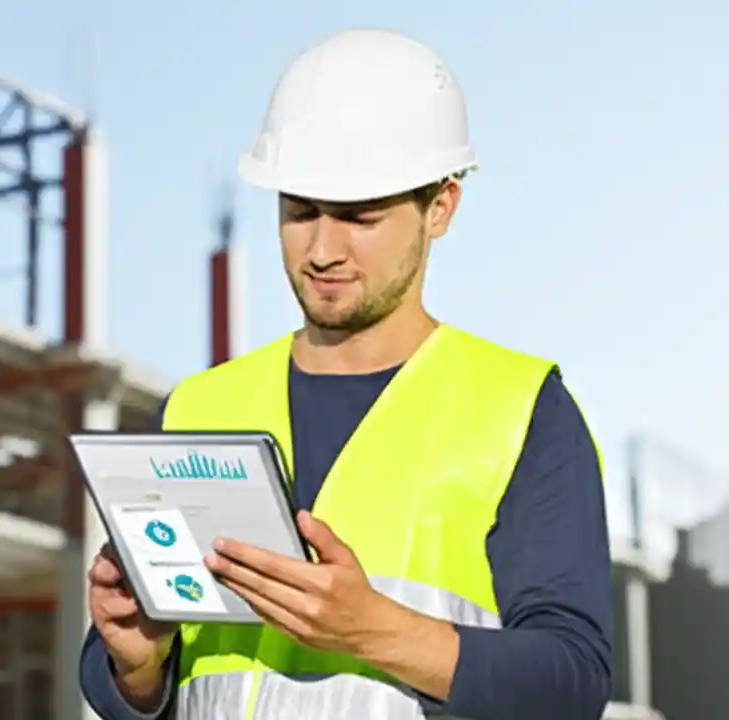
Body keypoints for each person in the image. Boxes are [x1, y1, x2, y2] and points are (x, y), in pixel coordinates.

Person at [79, 28, 613, 720]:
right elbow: (141, 682)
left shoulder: (521, 411)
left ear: (441, 207)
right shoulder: (197, 407)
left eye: (360, 216)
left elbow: (572, 684)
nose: (322, 249)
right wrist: (137, 664)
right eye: (299, 211)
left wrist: (373, 630)